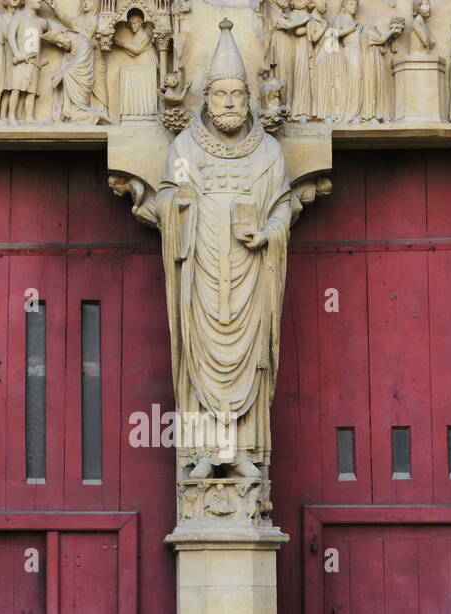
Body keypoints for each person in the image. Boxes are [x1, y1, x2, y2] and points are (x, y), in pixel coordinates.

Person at [157, 21, 294, 480]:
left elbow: (283, 207)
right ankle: (205, 450)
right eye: (221, 95)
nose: (231, 103)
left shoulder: (269, 153)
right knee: (199, 349)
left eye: (238, 94)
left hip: (250, 275)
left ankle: (243, 450)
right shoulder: (184, 147)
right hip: (200, 268)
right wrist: (181, 206)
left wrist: (268, 234)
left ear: (248, 99)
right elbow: (165, 196)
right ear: (207, 99)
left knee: (250, 356)